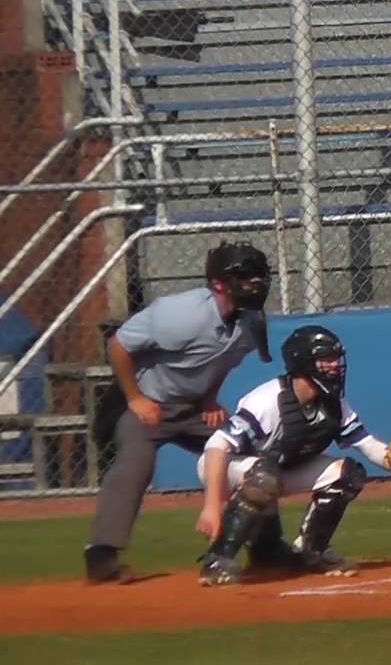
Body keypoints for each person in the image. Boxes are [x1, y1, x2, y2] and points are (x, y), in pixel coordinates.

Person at [83, 241, 273, 584]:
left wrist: (209, 400)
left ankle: (267, 546)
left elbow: (221, 363)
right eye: (244, 277)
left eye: (258, 276)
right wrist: (136, 398)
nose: (255, 284)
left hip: (194, 408)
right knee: (136, 462)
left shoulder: (252, 323)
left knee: (252, 458)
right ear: (218, 283)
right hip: (147, 403)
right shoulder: (180, 314)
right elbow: (119, 345)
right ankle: (102, 555)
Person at [194, 325, 391, 586]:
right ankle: (217, 560)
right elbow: (216, 446)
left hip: (273, 469)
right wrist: (212, 507)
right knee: (264, 478)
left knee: (347, 475)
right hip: (225, 467)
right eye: (327, 359)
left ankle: (310, 552)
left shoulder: (334, 403)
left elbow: (367, 443)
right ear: (304, 362)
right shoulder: (269, 400)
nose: (336, 365)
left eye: (336, 358)